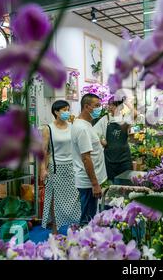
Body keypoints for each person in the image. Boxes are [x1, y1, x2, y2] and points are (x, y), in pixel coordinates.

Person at [40, 100, 81, 234]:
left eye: (68, 109)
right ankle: (55, 229)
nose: (67, 112)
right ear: (56, 112)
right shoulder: (48, 128)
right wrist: (43, 169)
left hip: (72, 167)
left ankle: (75, 227)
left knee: (75, 199)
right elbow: (44, 151)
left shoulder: (73, 126)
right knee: (55, 199)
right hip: (56, 168)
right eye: (64, 110)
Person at [71, 93, 107, 225]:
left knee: (91, 216)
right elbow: (86, 158)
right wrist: (95, 184)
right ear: (86, 107)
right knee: (87, 221)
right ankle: (82, 244)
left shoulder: (86, 124)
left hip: (91, 181)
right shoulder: (82, 128)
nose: (99, 109)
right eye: (96, 106)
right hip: (88, 183)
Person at [94, 96, 137, 181]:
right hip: (110, 158)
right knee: (111, 183)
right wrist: (101, 140)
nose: (110, 107)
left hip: (124, 159)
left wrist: (127, 102)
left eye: (113, 105)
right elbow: (93, 132)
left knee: (126, 181)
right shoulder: (105, 119)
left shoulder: (125, 118)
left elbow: (135, 113)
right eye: (109, 105)